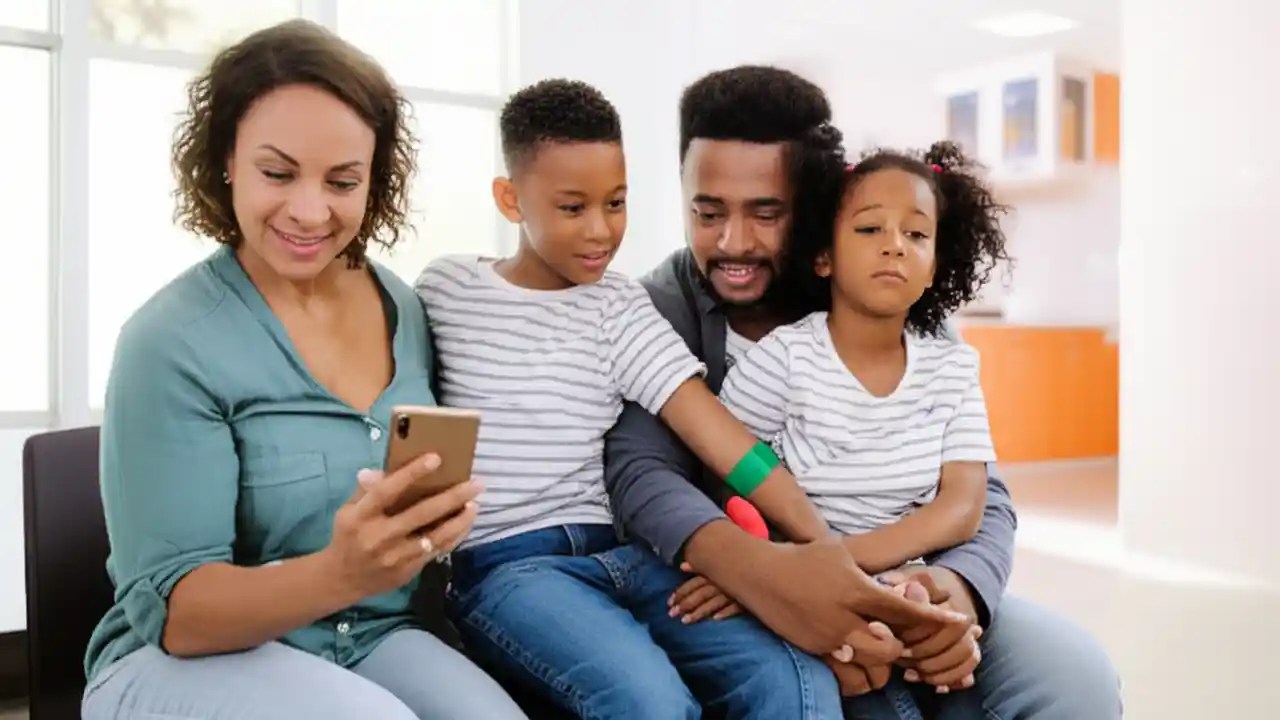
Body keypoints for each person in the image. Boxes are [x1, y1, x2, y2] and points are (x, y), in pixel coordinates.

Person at [414, 78, 962, 720]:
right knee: (649, 701)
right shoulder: (446, 288)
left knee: (792, 679)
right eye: (572, 209)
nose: (601, 232)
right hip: (508, 565)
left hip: (619, 553)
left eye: (616, 203)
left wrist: (822, 556)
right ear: (511, 199)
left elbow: (732, 446)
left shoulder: (623, 309)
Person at [605, 65, 1124, 719]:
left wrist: (955, 588)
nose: (733, 242)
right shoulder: (658, 310)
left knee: (1075, 679)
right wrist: (769, 576)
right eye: (707, 214)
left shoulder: (887, 302)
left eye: (767, 214)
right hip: (749, 582)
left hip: (913, 578)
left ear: (814, 216)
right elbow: (642, 472)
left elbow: (979, 492)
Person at [80, 20, 527, 719]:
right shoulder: (169, 342)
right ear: (226, 158)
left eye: (342, 181)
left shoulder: (402, 308)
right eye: (277, 173)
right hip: (179, 660)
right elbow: (178, 618)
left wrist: (428, 529)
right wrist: (342, 572)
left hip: (369, 635)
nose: (310, 211)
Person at [716, 137, 1013, 719]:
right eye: (870, 230)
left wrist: (865, 570)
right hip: (813, 599)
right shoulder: (784, 360)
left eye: (916, 234)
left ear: (936, 265)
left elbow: (962, 507)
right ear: (823, 256)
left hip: (914, 587)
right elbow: (728, 467)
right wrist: (806, 575)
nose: (895, 246)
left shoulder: (953, 367)